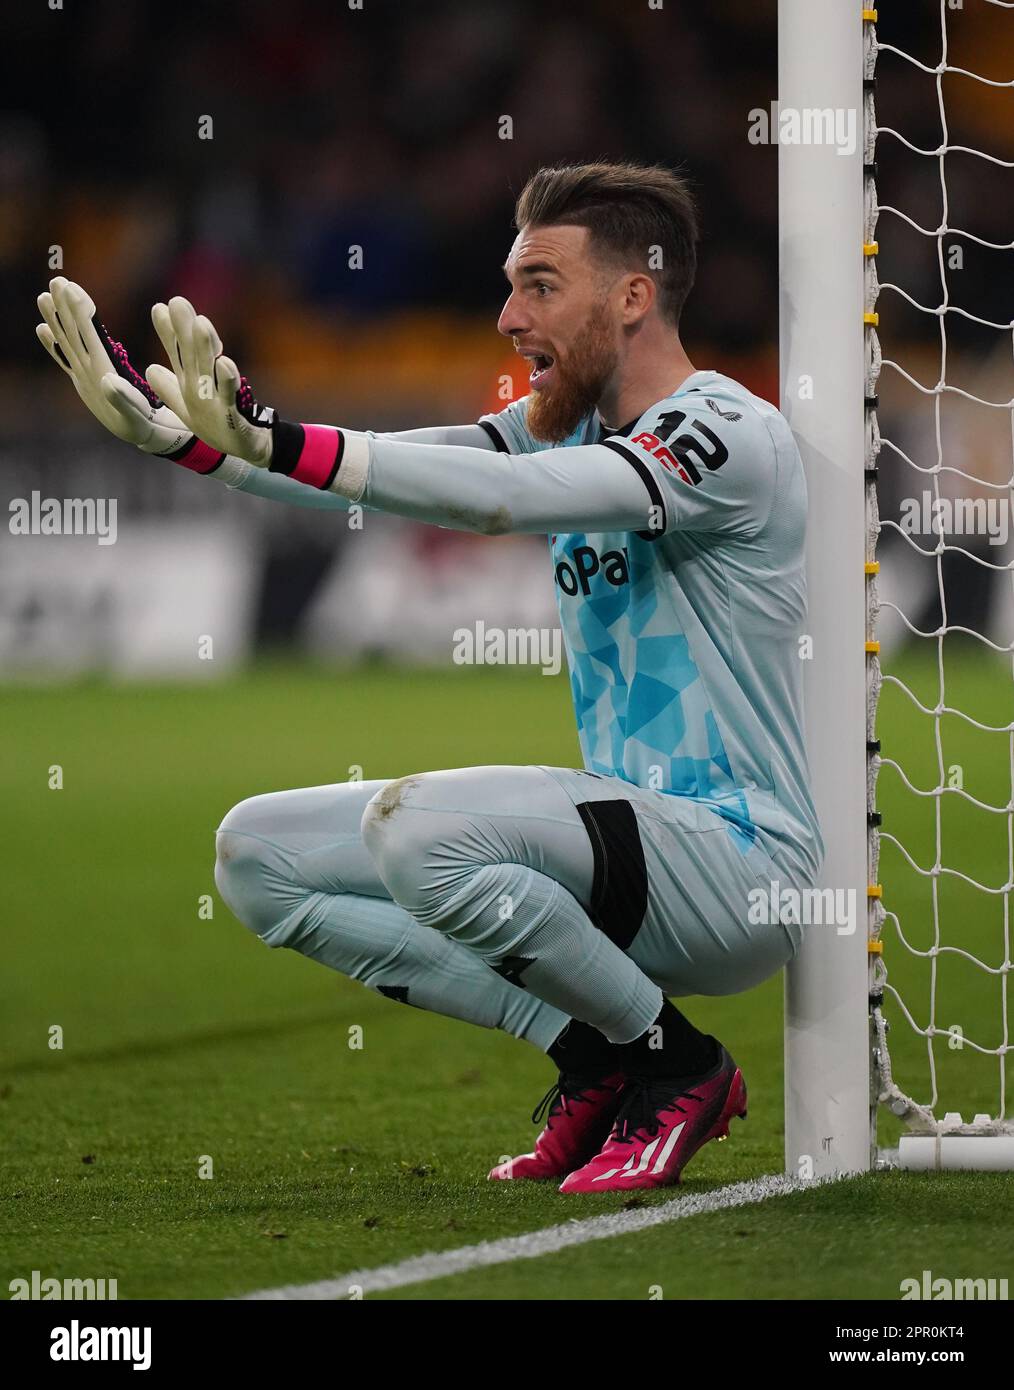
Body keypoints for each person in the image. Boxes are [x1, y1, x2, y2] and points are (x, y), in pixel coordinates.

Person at [36, 161, 823, 1193]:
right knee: (256, 856)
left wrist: (276, 439)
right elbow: (407, 476)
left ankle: (676, 1064)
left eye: (540, 283)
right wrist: (200, 449)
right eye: (509, 282)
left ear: (635, 295)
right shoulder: (567, 426)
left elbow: (498, 499)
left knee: (418, 830)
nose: (507, 315)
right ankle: (593, 1050)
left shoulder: (725, 433)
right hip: (632, 861)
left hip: (741, 863)